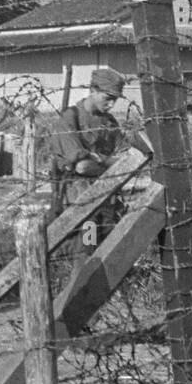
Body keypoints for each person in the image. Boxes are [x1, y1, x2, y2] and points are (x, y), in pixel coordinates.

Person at [47, 68, 139, 259]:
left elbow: (127, 159)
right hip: (81, 203)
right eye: (108, 97)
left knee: (108, 253)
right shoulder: (70, 119)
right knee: (86, 253)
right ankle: (82, 287)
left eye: (116, 99)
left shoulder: (109, 122)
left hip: (107, 201)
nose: (112, 104)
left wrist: (98, 159)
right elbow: (81, 166)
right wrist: (112, 165)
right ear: (93, 90)